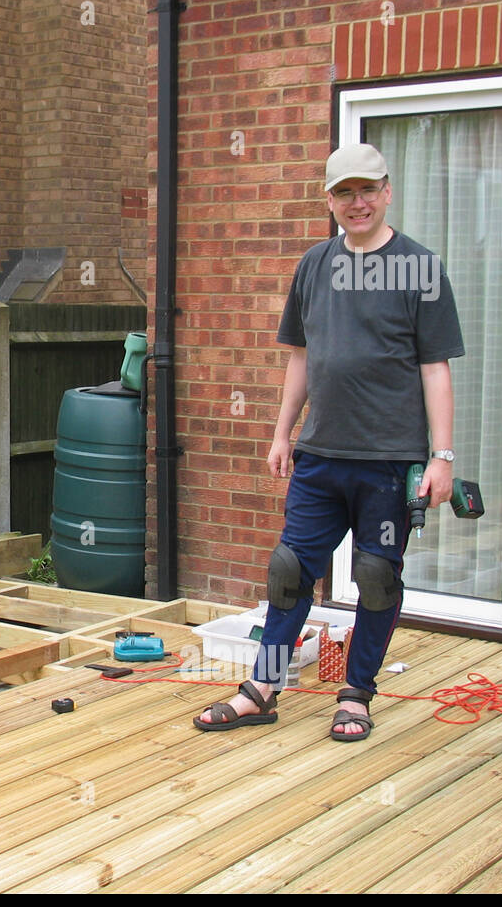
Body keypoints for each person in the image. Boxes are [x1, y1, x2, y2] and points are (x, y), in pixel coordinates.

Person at [194, 142, 464, 741]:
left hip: (389, 464)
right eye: (345, 192)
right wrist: (282, 433)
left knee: (376, 575)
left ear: (388, 191)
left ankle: (356, 695)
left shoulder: (420, 267)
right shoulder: (314, 266)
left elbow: (435, 368)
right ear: (330, 200)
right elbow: (302, 358)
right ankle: (262, 688)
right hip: (320, 456)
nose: (358, 202)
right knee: (288, 572)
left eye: (367, 190)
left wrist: (441, 458)